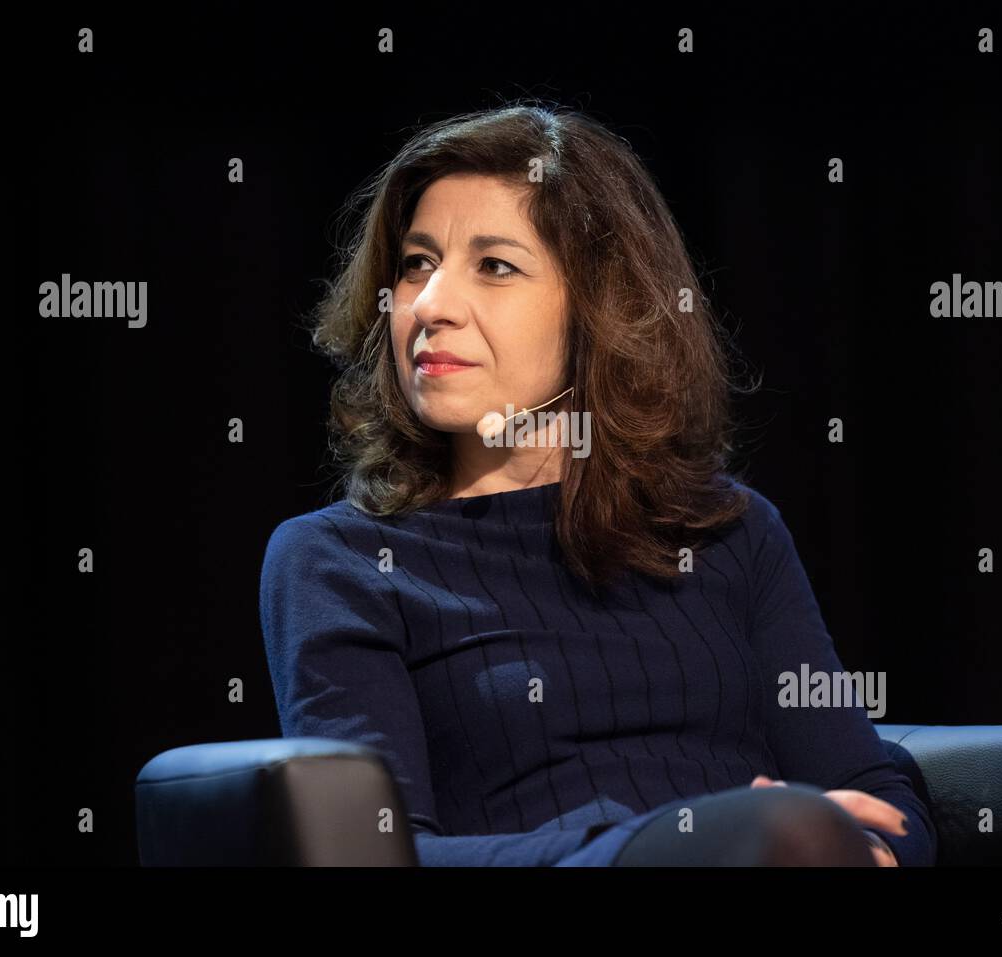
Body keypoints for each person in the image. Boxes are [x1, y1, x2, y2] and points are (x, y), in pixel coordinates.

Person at [259, 102, 935, 867]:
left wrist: (869, 852)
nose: (430, 305)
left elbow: (873, 789)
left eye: (495, 265)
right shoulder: (337, 562)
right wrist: (665, 843)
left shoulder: (728, 533)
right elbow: (378, 855)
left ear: (600, 310)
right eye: (417, 263)